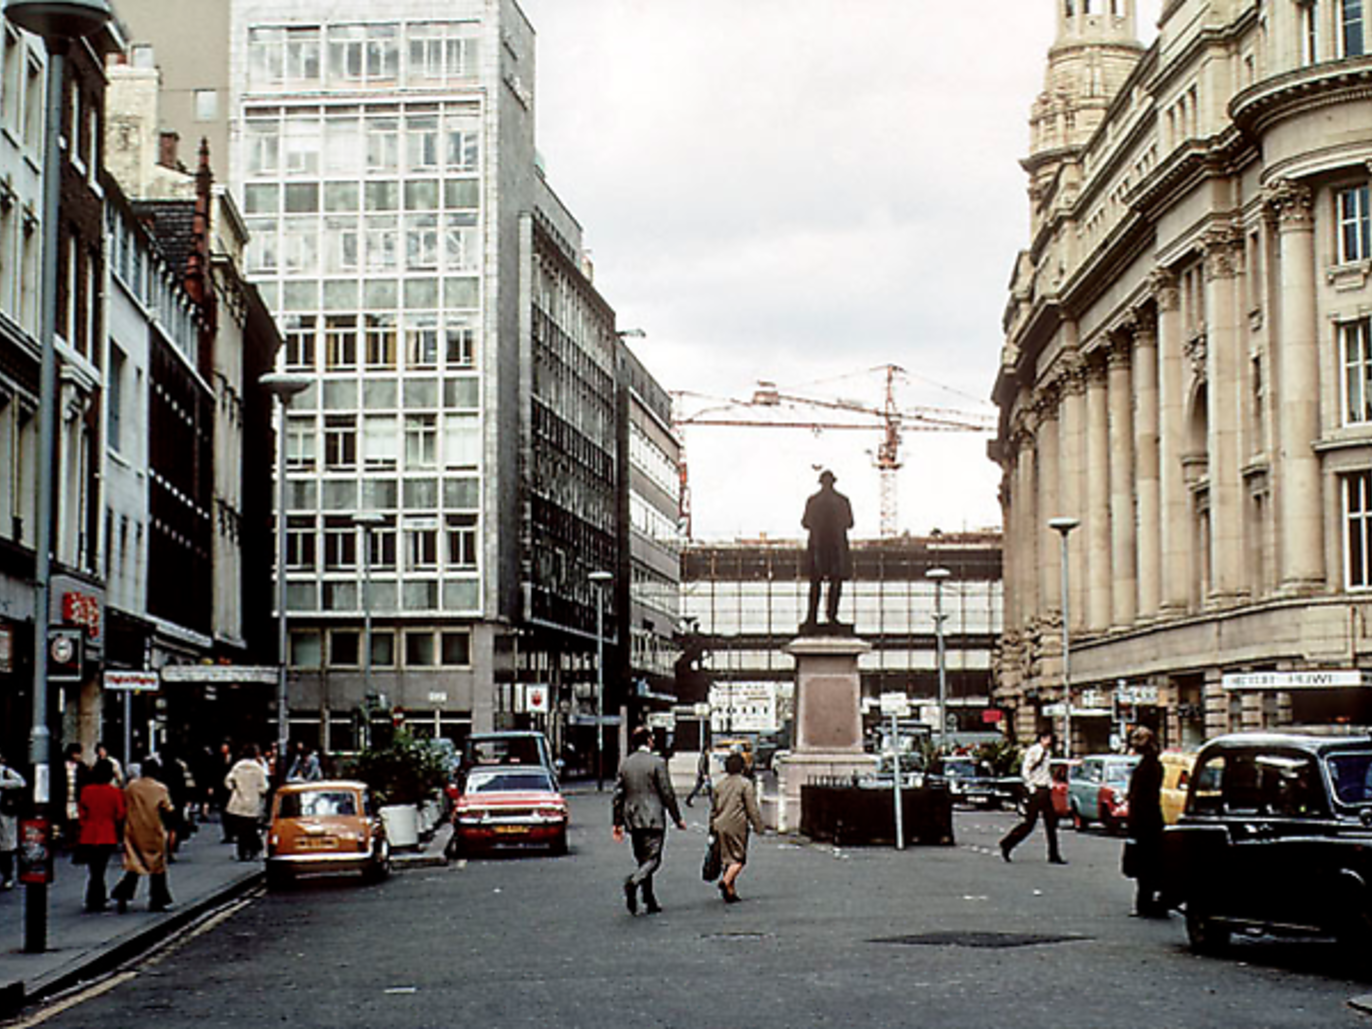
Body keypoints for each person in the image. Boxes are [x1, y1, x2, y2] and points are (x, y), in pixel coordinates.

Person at [612, 725, 686, 915]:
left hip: (633, 817)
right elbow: (667, 792)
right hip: (653, 817)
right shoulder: (658, 762)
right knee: (653, 859)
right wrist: (677, 818)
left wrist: (617, 822)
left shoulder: (625, 764)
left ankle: (649, 899)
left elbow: (618, 795)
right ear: (649, 741)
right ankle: (633, 882)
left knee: (642, 859)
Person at [111, 759, 175, 913]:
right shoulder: (160, 788)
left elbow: (124, 802)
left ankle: (123, 894)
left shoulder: (132, 786)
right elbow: (168, 808)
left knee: (134, 865)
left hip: (133, 828)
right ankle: (157, 900)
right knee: (157, 867)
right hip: (153, 829)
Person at [1000, 729, 1066, 865]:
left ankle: (1053, 854)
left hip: (1044, 789)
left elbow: (1045, 772)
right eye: (1048, 738)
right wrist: (1031, 788)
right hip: (1035, 790)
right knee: (1029, 823)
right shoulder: (1034, 751)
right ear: (1042, 738)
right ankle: (1007, 843)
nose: (1050, 741)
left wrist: (1049, 784)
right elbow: (1026, 770)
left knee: (1051, 823)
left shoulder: (1048, 752)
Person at [801, 469, 854, 631]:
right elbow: (850, 523)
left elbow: (805, 523)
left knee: (815, 583)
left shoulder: (812, 500)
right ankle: (832, 617)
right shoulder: (843, 500)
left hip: (817, 545)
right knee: (835, 583)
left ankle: (812, 618)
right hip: (836, 547)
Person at [710, 752, 765, 903]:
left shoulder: (719, 785)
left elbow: (713, 809)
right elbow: (751, 808)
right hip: (737, 825)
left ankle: (730, 892)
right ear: (742, 767)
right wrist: (759, 826)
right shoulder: (745, 784)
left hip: (719, 824)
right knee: (739, 858)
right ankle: (726, 881)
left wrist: (711, 826)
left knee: (726, 858)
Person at [1125, 727, 1166, 917]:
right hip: (1151, 819)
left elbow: (1141, 797)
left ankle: (1146, 903)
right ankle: (1152, 901)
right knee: (1152, 862)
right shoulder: (1153, 764)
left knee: (1145, 863)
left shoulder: (1148, 767)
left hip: (1143, 820)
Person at [78, 759, 126, 911]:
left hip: (89, 833)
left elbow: (82, 812)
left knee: (94, 869)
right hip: (107, 832)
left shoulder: (86, 790)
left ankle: (94, 897)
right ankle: (96, 899)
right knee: (100, 868)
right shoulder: (114, 792)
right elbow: (120, 814)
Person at [224, 744, 270, 861]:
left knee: (240, 829)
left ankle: (242, 852)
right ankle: (253, 849)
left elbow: (228, 781)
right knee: (251, 828)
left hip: (238, 801)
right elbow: (264, 787)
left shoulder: (237, 766)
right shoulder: (258, 768)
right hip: (252, 802)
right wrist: (259, 792)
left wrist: (234, 788)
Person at [0, 752, 27, 890]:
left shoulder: (6, 771)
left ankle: (7, 875)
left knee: (6, 846)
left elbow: (21, 782)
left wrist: (4, 784)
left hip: (4, 811)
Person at [59, 743, 88, 850]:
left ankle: (74, 841)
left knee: (75, 820)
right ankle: (67, 840)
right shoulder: (61, 766)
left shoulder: (82, 767)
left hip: (76, 797)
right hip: (65, 796)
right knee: (66, 819)